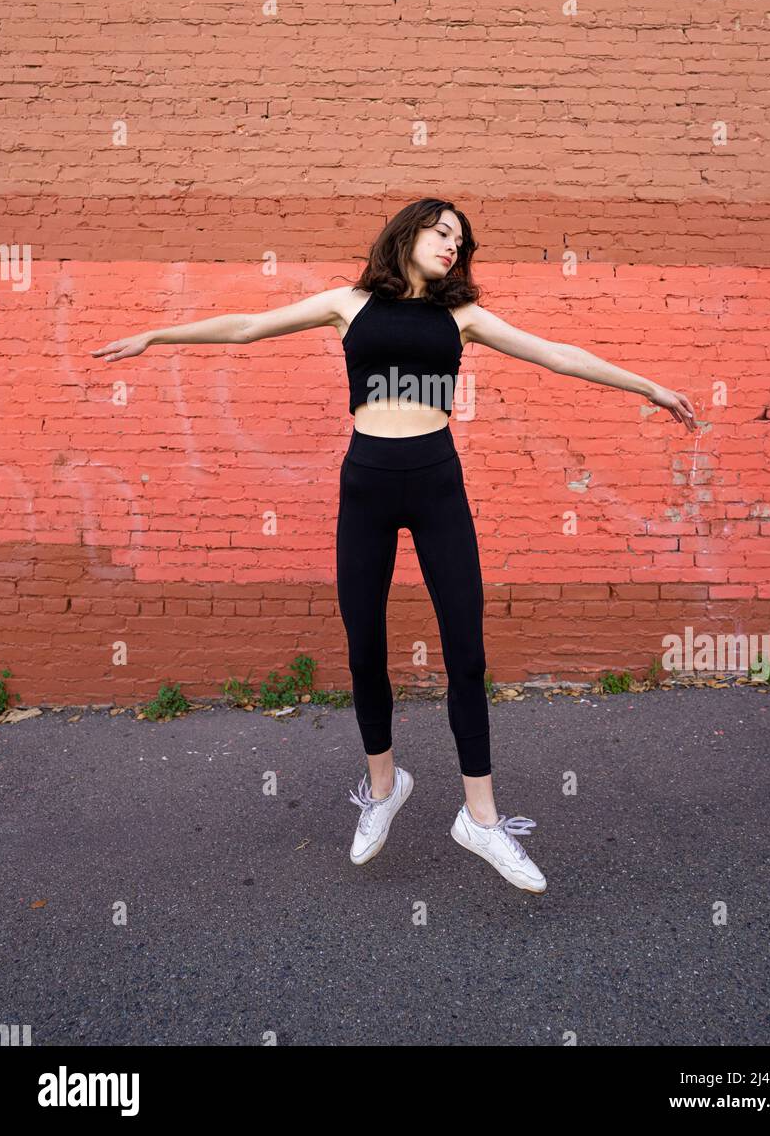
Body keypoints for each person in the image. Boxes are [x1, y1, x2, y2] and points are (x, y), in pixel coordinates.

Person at [91, 196, 697, 894]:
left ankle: (481, 818)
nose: (451, 246)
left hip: (436, 482)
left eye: (460, 242)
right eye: (442, 233)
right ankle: (384, 789)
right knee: (364, 646)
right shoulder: (349, 304)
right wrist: (158, 336)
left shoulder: (461, 318)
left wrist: (649, 386)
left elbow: (556, 354)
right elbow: (249, 327)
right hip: (367, 484)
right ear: (407, 234)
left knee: (466, 651)